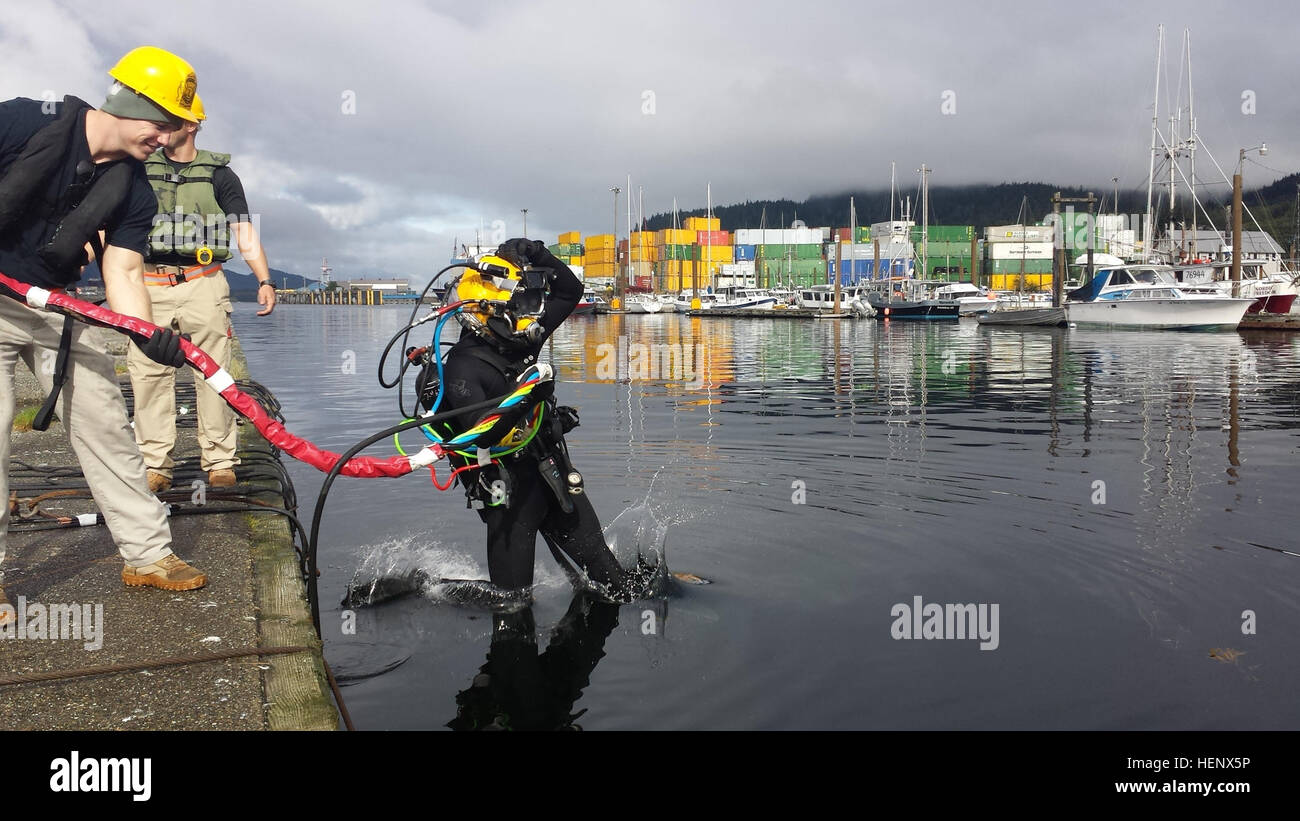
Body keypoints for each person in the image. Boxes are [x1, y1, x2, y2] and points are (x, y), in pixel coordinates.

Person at [0, 46, 209, 623]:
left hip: (56, 307)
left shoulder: (134, 189)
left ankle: (147, 555)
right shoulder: (24, 119)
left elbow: (121, 270)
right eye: (162, 124)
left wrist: (145, 332)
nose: (166, 140)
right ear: (129, 102)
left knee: (107, 423)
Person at [436, 239, 652, 599]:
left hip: (551, 474)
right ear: (486, 311)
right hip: (506, 495)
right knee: (513, 603)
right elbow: (480, 435)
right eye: (517, 306)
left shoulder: (520, 340)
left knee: (616, 584)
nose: (529, 315)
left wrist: (534, 252)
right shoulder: (462, 367)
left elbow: (570, 291)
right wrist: (528, 398)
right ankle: (431, 588)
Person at [127, 92, 276, 493]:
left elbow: (243, 229)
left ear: (191, 125)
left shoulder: (220, 175)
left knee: (215, 373)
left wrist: (264, 279)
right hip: (148, 283)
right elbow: (110, 220)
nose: (159, 127)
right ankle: (155, 463)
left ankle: (220, 460)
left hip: (203, 282)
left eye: (170, 120)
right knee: (149, 374)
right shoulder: (137, 166)